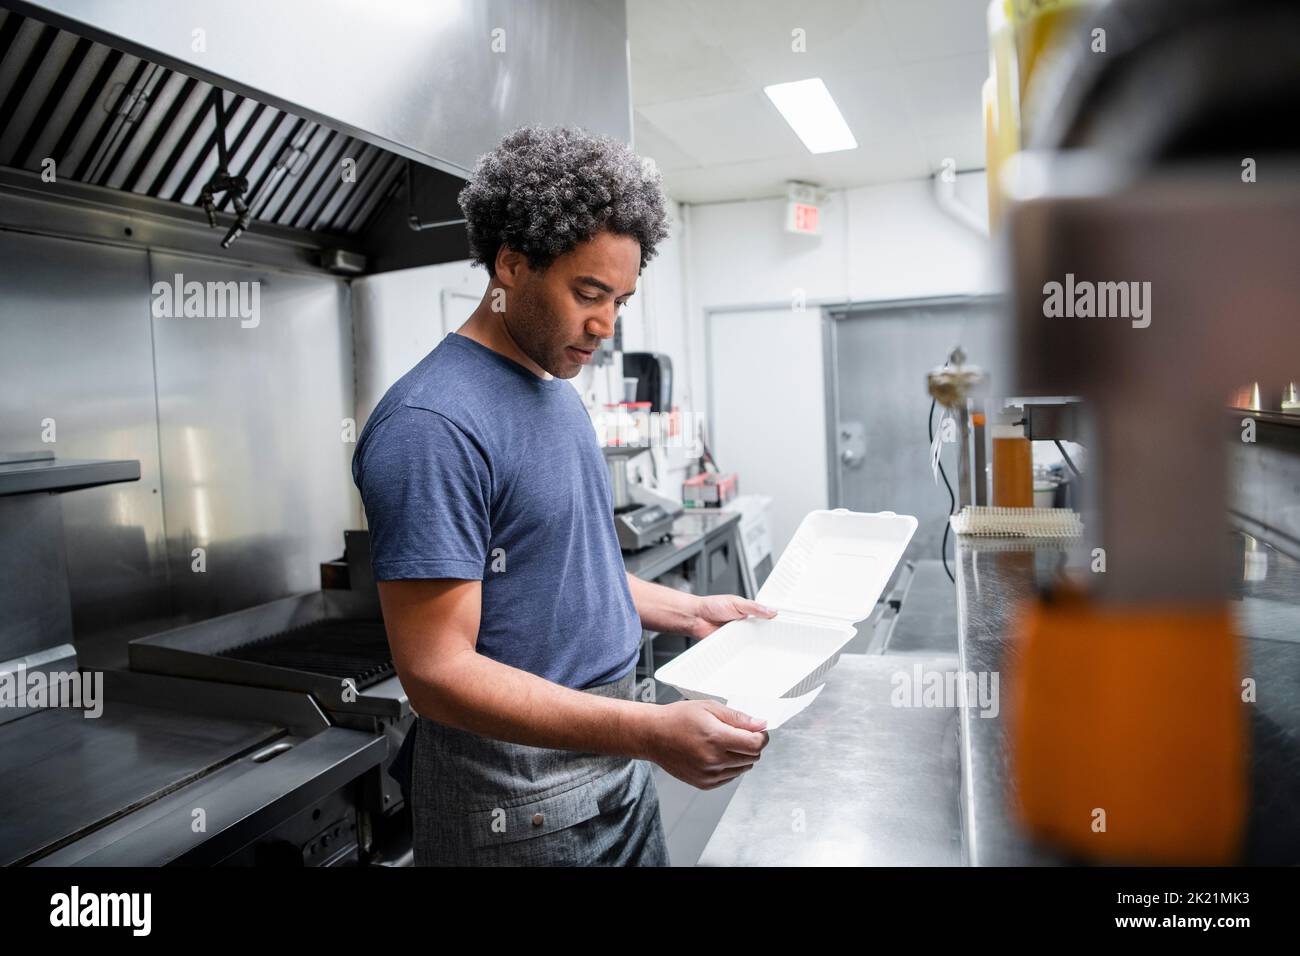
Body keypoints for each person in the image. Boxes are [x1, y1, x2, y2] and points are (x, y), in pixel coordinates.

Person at [352, 126, 775, 866]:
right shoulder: (432, 424)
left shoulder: (552, 388)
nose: (606, 327)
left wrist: (690, 610)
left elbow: (568, 570)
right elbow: (438, 674)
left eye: (621, 299)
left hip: (613, 768)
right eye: (588, 293)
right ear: (510, 265)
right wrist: (649, 730)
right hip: (517, 810)